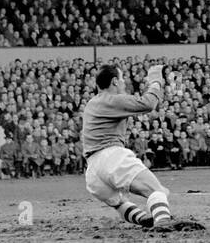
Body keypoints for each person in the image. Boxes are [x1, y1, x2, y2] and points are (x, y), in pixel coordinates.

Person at [80, 62, 187, 232]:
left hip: (92, 172)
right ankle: (162, 222)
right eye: (122, 79)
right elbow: (148, 103)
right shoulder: (112, 100)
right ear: (115, 81)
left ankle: (144, 219)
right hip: (111, 157)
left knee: (119, 203)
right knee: (158, 191)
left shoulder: (92, 103)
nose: (124, 83)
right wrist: (155, 81)